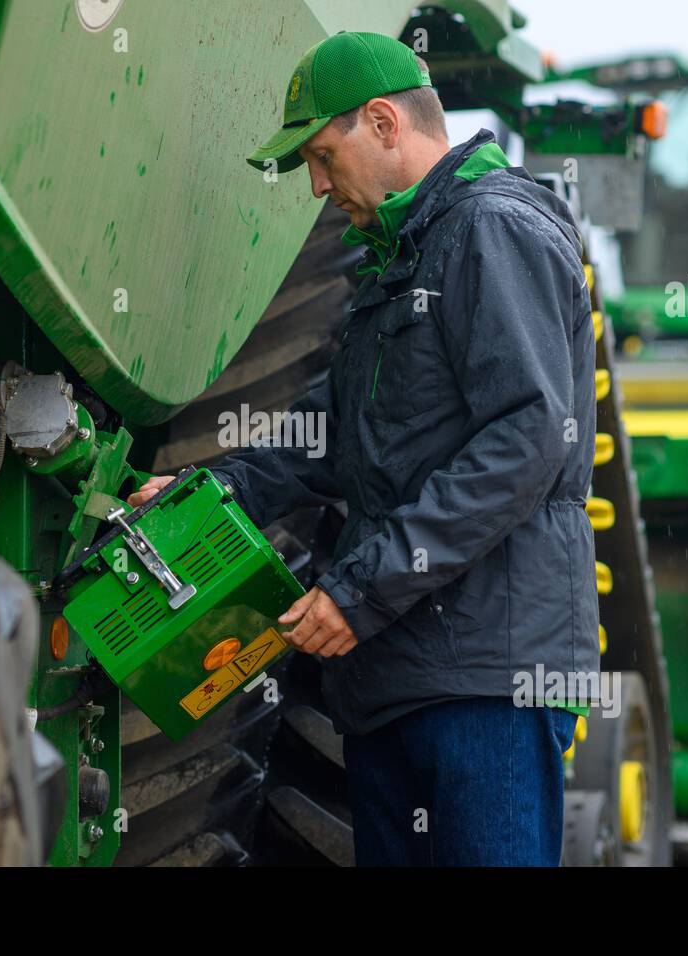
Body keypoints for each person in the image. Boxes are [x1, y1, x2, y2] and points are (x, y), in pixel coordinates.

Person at [128, 31, 598, 866]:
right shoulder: (397, 266)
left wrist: (358, 591)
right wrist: (196, 494)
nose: (315, 183)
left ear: (384, 122)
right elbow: (322, 443)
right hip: (397, 687)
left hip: (488, 683)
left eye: (319, 154)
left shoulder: (494, 229)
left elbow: (529, 437)